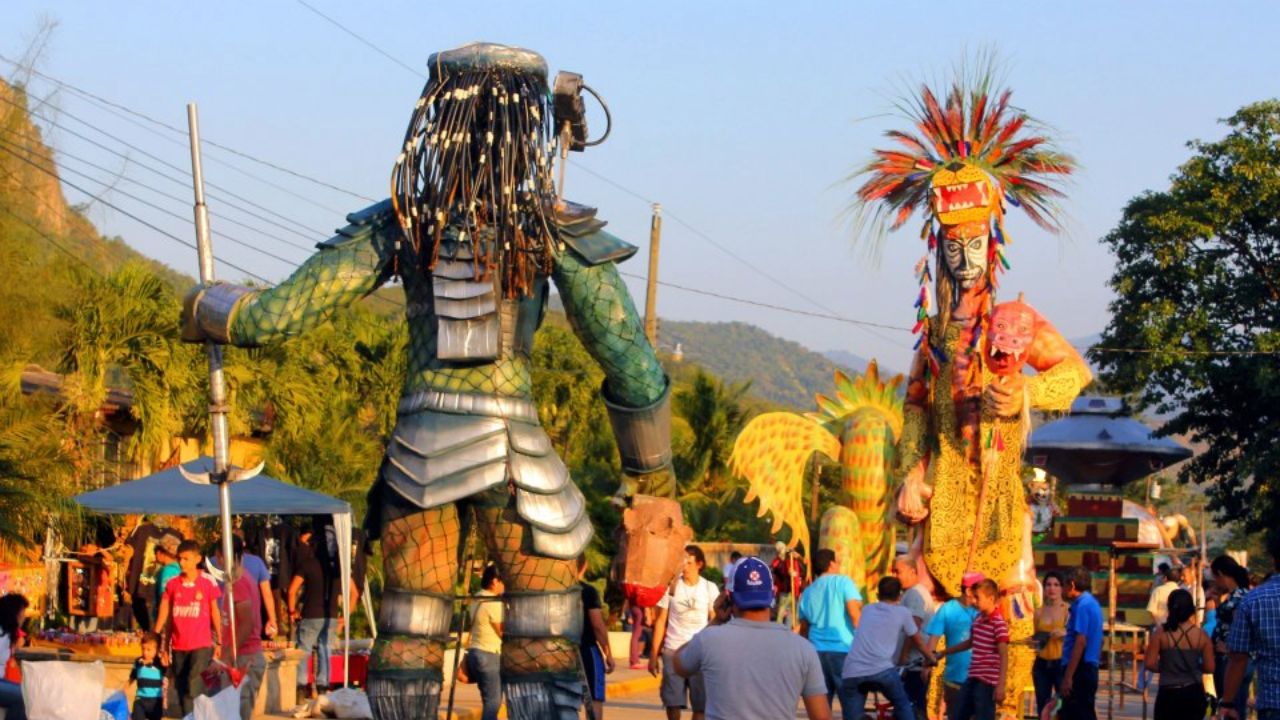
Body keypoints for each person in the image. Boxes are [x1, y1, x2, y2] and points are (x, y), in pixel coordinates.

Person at [180, 41, 677, 719]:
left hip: (420, 454)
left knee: (411, 631)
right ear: (528, 123)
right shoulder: (549, 228)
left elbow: (277, 316)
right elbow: (629, 361)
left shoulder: (402, 223)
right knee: (541, 637)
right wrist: (650, 472)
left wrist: (206, 305)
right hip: (516, 457)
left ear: (435, 119)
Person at [674, 557, 832, 720]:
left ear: (728, 597)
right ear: (773, 594)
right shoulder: (803, 648)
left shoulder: (709, 640)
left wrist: (716, 621)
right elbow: (822, 717)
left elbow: (679, 664)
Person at [841, 576, 938, 720]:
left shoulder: (867, 609)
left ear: (877, 595)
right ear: (899, 596)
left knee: (852, 715)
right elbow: (918, 641)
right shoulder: (903, 612)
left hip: (851, 671)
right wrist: (931, 657)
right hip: (882, 670)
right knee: (903, 704)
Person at [155, 540, 223, 717]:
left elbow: (215, 611)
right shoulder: (172, 583)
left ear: (197, 559)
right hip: (178, 646)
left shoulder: (208, 581)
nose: (181, 563)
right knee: (181, 688)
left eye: (186, 559)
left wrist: (220, 640)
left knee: (194, 685)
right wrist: (161, 641)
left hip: (201, 645)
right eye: (180, 559)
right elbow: (167, 614)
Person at [649, 545, 718, 720]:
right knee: (672, 703)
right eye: (682, 562)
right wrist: (653, 655)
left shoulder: (709, 588)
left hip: (700, 652)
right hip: (673, 650)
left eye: (689, 562)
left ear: (699, 564)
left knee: (700, 705)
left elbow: (715, 620)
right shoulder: (671, 588)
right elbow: (660, 621)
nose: (684, 566)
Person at [1220, 531, 1280, 720]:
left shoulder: (1253, 600)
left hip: (1273, 703)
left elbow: (1238, 658)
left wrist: (1228, 702)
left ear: (1273, 559)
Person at [799, 549, 863, 716]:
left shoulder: (807, 592)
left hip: (816, 653)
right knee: (851, 703)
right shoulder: (843, 583)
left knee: (822, 707)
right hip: (843, 650)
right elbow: (854, 614)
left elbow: (804, 628)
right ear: (831, 564)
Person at [211, 537, 269, 720]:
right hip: (240, 657)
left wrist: (229, 653)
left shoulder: (239, 582)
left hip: (244, 658)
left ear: (222, 556)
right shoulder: (238, 580)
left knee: (236, 713)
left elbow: (247, 622)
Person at [938, 580, 1009, 720]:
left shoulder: (998, 623)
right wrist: (944, 652)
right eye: (974, 597)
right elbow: (970, 642)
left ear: (991, 599)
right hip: (973, 677)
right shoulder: (978, 619)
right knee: (958, 713)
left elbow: (1004, 655)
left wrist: (1001, 685)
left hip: (987, 681)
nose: (975, 601)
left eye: (978, 598)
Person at [1144, 589, 1212, 720]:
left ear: (1169, 608)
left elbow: (1150, 663)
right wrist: (1195, 667)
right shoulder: (1201, 635)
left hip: (1168, 693)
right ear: (1191, 609)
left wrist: (1166, 666)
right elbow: (1210, 668)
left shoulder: (1161, 633)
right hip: (1194, 692)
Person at [289, 529, 339, 699]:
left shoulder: (308, 564)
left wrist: (292, 611)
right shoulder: (336, 570)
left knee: (304, 649)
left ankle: (301, 687)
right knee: (325, 648)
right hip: (331, 614)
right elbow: (351, 591)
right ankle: (323, 687)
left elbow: (292, 590)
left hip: (311, 613)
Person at [924, 571, 983, 715]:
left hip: (982, 678)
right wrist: (927, 665)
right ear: (969, 591)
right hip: (955, 678)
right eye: (980, 590)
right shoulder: (947, 609)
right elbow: (933, 641)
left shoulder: (984, 610)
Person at [893, 556, 936, 719]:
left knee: (912, 710)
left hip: (913, 664)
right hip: (910, 663)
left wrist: (903, 658)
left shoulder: (916, 594)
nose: (896, 576)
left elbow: (913, 629)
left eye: (899, 572)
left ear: (913, 572)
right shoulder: (909, 593)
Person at [1210, 555, 1251, 720]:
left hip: (1233, 659)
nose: (1215, 583)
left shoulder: (1238, 598)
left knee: (1231, 706)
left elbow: (1241, 627)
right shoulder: (1238, 595)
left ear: (1220, 574)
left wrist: (1227, 648)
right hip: (1230, 657)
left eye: (1215, 578)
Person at [1059, 567, 1102, 720]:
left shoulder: (1083, 606)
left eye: (1062, 585)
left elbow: (1080, 641)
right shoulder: (1088, 603)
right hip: (1085, 667)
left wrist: (1068, 677)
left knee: (1079, 712)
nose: (1061, 590)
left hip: (1081, 668)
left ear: (1071, 585)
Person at [467, 564, 504, 720]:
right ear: (495, 581)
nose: (505, 586)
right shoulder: (492, 602)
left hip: (475, 653)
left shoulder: (477, 597)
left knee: (488, 700)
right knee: (493, 703)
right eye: (503, 582)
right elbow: (502, 632)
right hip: (488, 655)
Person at [579, 564, 615, 720]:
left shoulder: (556, 591)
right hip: (586, 650)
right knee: (594, 698)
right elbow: (598, 626)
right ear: (585, 566)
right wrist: (608, 654)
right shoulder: (587, 591)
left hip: (559, 651)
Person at [1032, 571, 1068, 715]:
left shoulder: (1068, 610)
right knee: (1043, 706)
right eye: (1048, 585)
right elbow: (1036, 638)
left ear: (1062, 588)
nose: (1051, 588)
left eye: (1056, 585)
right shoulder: (1038, 612)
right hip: (1041, 664)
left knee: (1063, 706)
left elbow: (1076, 637)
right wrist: (1034, 641)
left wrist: (1064, 633)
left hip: (1060, 663)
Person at [0, 593, 28, 720]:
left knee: (27, 691)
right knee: (23, 696)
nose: (24, 616)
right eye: (22, 612)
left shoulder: (7, 633)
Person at [128, 632, 167, 720]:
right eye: (143, 649)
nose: (145, 652)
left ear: (156, 650)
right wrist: (122, 691)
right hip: (140, 700)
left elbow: (168, 671)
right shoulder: (138, 662)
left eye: (148, 650)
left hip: (156, 702)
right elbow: (131, 678)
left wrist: (165, 661)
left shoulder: (159, 663)